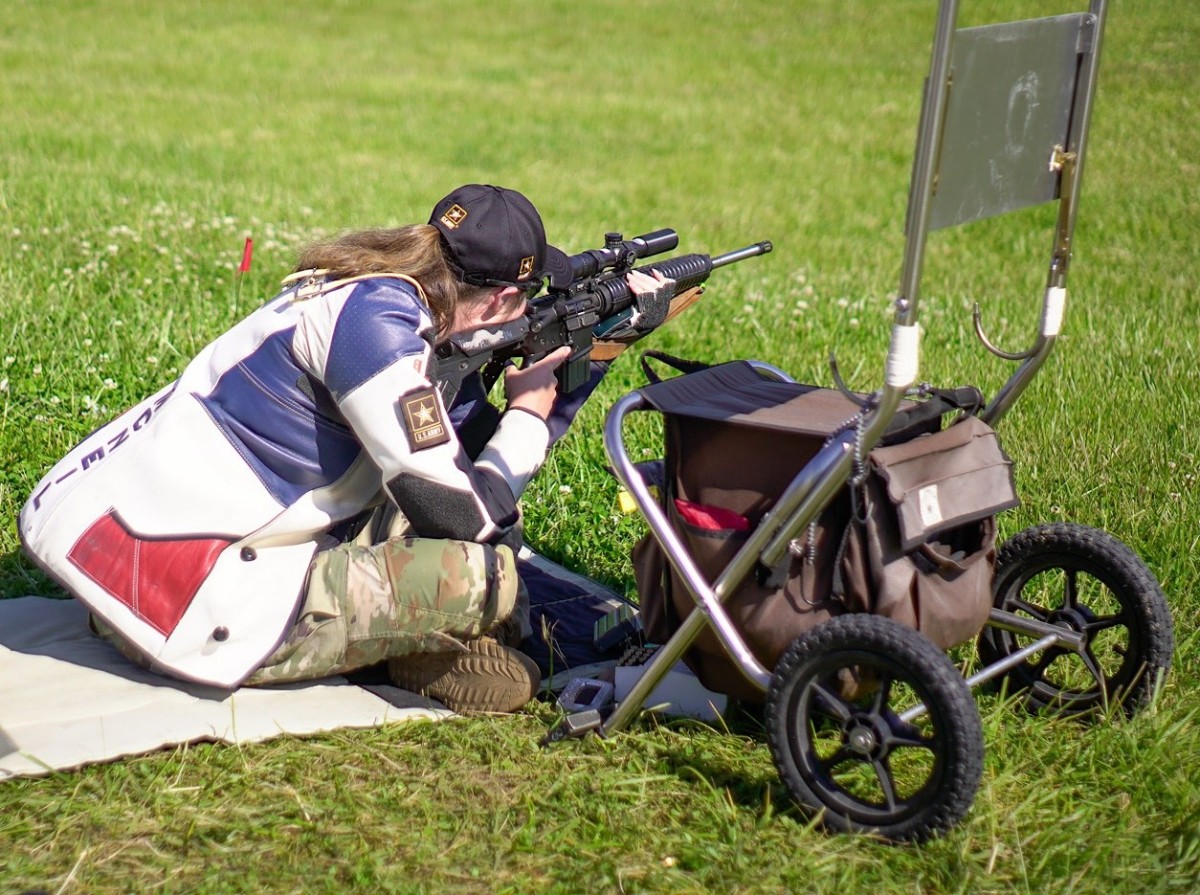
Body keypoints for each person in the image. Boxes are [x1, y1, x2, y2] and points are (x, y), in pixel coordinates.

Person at [18, 184, 674, 713]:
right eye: (524, 301)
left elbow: (458, 456)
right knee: (487, 578)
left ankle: (397, 634)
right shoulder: (380, 337)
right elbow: (470, 520)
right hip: (186, 612)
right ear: (502, 297)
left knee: (405, 513)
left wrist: (584, 364)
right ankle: (402, 646)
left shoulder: (357, 290)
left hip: (113, 565)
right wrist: (534, 409)